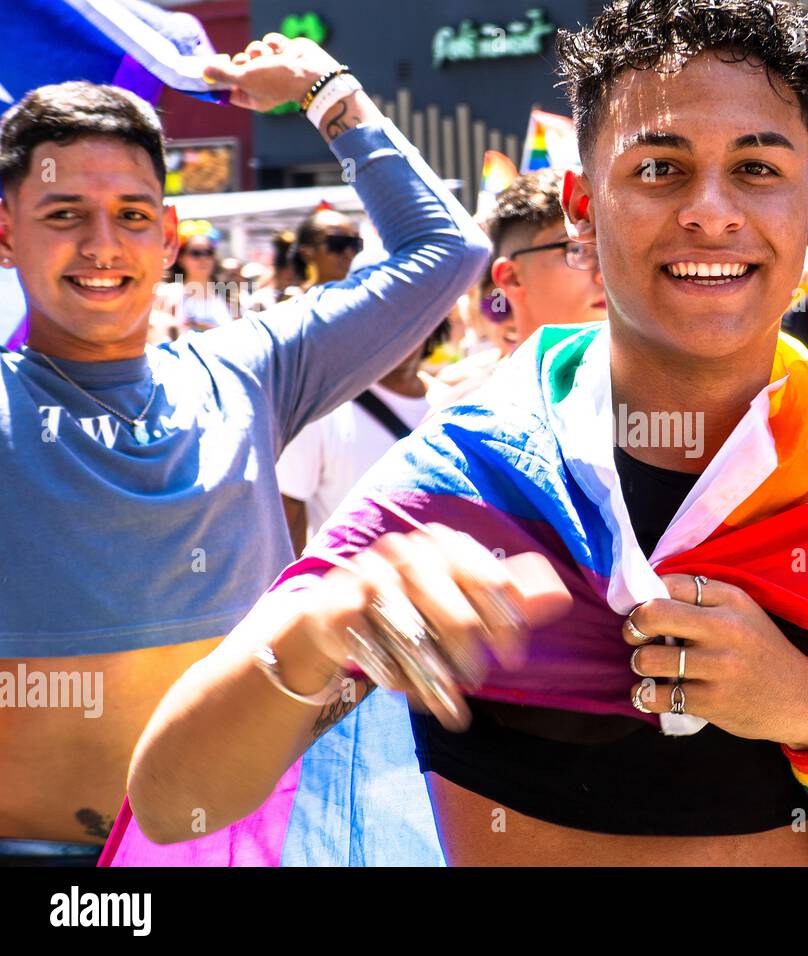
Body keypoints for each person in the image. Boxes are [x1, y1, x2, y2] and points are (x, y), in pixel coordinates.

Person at [128, 0, 808, 868]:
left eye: (756, 169)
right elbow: (174, 803)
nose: (711, 211)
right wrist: (322, 628)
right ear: (582, 209)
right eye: (659, 169)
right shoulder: (465, 474)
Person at [0, 34, 488, 864]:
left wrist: (324, 89)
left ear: (168, 233)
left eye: (129, 216)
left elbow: (448, 251)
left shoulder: (252, 369)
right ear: (5, 233)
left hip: (253, 851)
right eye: (62, 215)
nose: (101, 248)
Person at [438, 170, 607, 401]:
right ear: (511, 278)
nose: (605, 273)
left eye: (610, 249)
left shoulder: (656, 395)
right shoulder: (468, 417)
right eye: (576, 250)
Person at [278, 334, 450, 555]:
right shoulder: (320, 411)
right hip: (343, 585)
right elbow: (287, 527)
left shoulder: (455, 407)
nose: (404, 325)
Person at [153, 219, 235, 335]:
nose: (203, 258)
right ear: (180, 258)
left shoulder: (227, 294)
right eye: (195, 253)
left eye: (208, 252)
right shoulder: (168, 294)